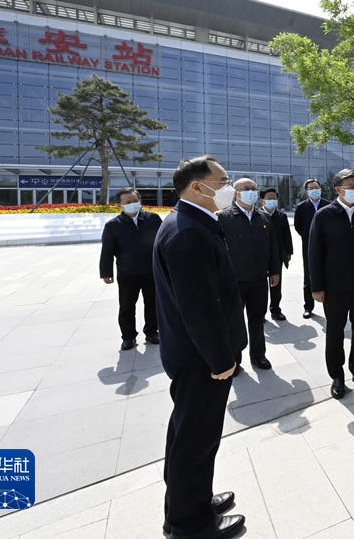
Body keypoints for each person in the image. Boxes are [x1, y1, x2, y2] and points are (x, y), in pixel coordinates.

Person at [153, 155, 246, 538]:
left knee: (191, 435)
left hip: (194, 355)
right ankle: (188, 525)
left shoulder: (189, 222)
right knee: (195, 440)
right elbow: (200, 306)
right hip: (202, 360)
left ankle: (192, 500)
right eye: (222, 181)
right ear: (197, 187)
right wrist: (221, 358)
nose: (229, 187)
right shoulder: (187, 231)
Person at [309, 169, 354, 399]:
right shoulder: (324, 215)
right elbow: (314, 254)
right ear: (338, 189)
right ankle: (337, 375)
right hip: (334, 287)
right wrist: (317, 287)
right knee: (335, 331)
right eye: (350, 186)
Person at [218, 178, 281, 371]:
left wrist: (275, 270)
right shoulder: (223, 217)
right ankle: (234, 360)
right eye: (246, 189)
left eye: (253, 188)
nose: (251, 192)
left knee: (257, 320)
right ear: (236, 193)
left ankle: (258, 356)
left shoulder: (264, 218)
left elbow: (272, 247)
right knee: (234, 322)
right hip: (234, 280)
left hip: (259, 279)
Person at [99, 187, 163, 351]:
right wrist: (106, 272)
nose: (132, 204)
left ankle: (152, 332)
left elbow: (163, 244)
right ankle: (128, 337)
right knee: (126, 307)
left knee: (153, 304)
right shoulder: (113, 226)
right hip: (128, 274)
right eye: (128, 202)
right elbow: (107, 250)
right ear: (119, 205)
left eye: (135, 201)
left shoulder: (153, 219)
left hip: (151, 272)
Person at [294, 179, 329, 319]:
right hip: (308, 246)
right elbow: (298, 226)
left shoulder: (328, 205)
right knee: (309, 276)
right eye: (311, 188)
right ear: (306, 191)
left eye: (316, 187)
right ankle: (308, 306)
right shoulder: (301, 207)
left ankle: (329, 304)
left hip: (327, 245)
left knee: (328, 274)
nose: (314, 190)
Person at [260, 187, 293, 322]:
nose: (272, 200)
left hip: (277, 256)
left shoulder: (281, 216)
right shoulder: (257, 215)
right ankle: (260, 313)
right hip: (261, 256)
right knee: (261, 287)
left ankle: (275, 310)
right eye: (269, 198)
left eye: (274, 198)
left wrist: (289, 252)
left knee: (276, 284)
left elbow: (287, 235)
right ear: (262, 201)